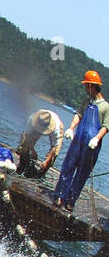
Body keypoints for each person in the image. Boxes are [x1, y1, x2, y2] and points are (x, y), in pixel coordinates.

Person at [52, 71, 108, 209]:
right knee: (68, 167)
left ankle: (70, 202)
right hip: (77, 141)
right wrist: (71, 128)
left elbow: (106, 126)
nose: (85, 89)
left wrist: (96, 138)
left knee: (82, 173)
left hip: (91, 146)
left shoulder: (105, 107)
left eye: (86, 86)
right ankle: (60, 196)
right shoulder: (86, 102)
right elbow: (78, 115)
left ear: (91, 86)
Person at [15, 109, 65, 178]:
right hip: (35, 126)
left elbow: (55, 146)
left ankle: (41, 174)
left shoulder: (56, 128)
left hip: (57, 129)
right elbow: (26, 137)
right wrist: (33, 151)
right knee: (23, 146)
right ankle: (23, 165)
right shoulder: (31, 120)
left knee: (54, 155)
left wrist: (47, 161)